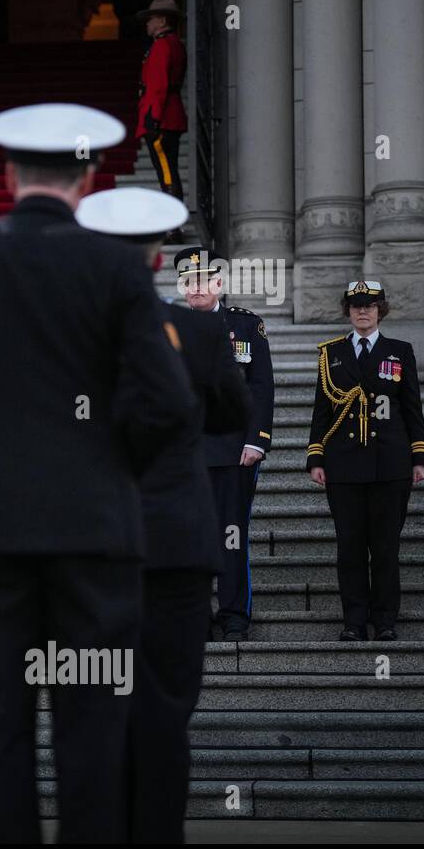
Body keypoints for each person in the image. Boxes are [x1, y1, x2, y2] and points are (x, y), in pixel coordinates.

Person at [0, 103, 195, 844]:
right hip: (95, 535)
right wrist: (109, 466)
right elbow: (167, 404)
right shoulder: (117, 267)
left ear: (9, 175)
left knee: (1, 726)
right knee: (90, 728)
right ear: (89, 174)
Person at [77, 187, 251, 843]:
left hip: (96, 545)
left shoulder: (73, 333)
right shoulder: (204, 330)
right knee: (166, 711)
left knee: (99, 706)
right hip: (177, 543)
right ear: (157, 257)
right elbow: (233, 415)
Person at [307, 281, 424, 642]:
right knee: (350, 548)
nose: (363, 311)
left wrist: (419, 455)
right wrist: (316, 456)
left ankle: (386, 620)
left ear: (381, 310)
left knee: (386, 547)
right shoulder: (331, 354)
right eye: (357, 305)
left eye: (371, 305)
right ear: (348, 310)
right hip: (343, 465)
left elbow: (412, 409)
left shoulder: (399, 351)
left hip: (390, 464)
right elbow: (321, 413)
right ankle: (354, 622)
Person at [175, 247, 275, 641]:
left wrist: (257, 440)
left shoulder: (247, 327)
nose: (196, 287)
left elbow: (261, 388)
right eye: (189, 281)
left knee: (231, 535)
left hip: (234, 451)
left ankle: (234, 614)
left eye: (204, 279)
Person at [135, 0, 187, 236]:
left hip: (162, 118)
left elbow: (157, 86)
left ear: (163, 21)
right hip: (171, 115)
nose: (148, 23)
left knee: (166, 174)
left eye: (152, 18)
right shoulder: (175, 44)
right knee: (170, 171)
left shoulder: (161, 46)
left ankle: (172, 226)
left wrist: (152, 118)